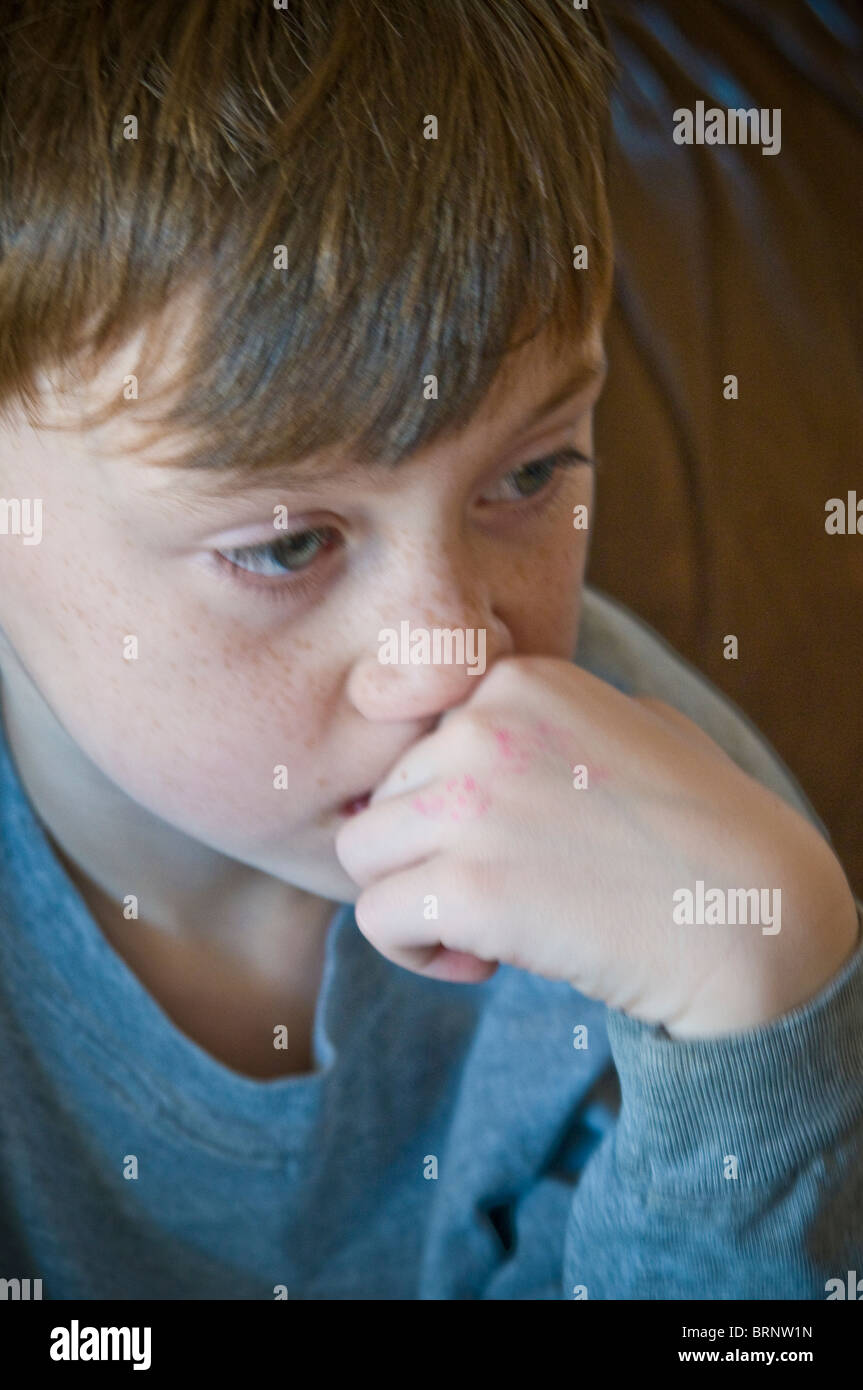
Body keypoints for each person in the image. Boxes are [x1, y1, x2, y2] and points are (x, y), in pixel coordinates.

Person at [0, 0, 859, 1299]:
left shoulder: (682, 888)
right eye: (288, 545)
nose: (459, 652)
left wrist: (766, 1031)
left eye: (530, 471)